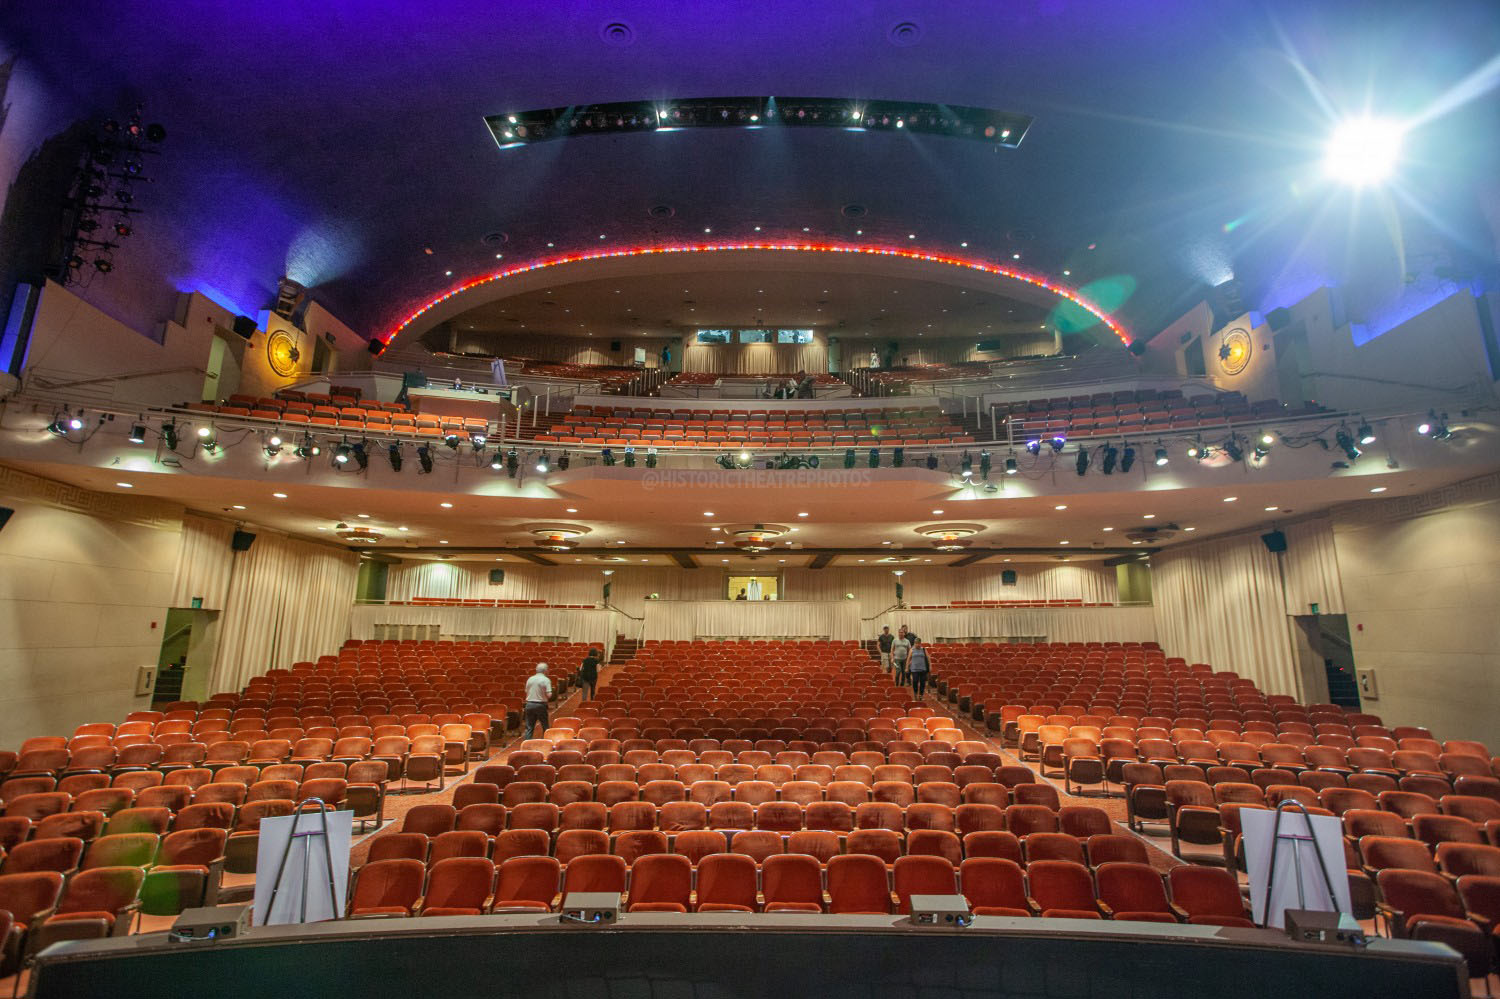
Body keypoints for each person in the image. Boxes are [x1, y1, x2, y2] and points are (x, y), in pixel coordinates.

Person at [522, 662, 552, 739]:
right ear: (545, 670)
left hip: (529, 704)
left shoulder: (530, 679)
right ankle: (546, 742)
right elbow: (549, 695)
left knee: (529, 727)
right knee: (545, 726)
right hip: (540, 705)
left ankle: (526, 744)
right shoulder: (546, 680)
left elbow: (526, 691)